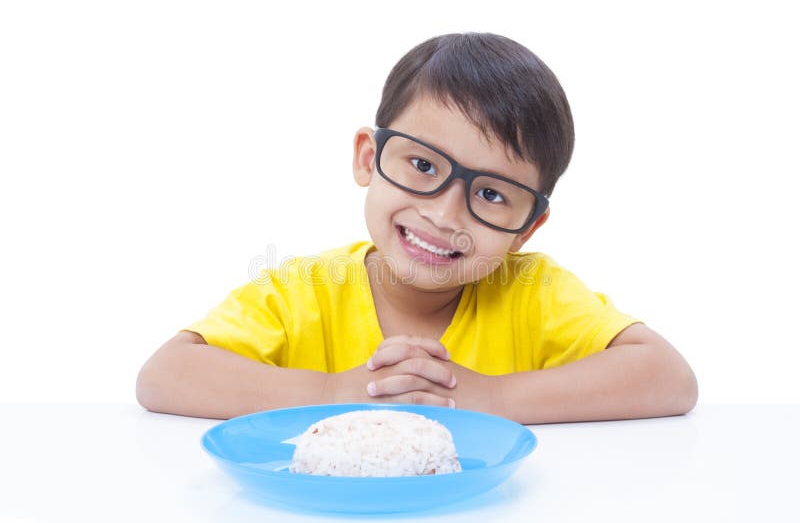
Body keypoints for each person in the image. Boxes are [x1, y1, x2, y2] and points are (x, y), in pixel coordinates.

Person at [136, 32, 697, 424]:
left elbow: (669, 377)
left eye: (492, 194)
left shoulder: (533, 293)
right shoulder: (302, 290)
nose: (445, 216)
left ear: (527, 227)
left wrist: (495, 396)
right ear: (367, 156)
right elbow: (165, 375)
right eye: (423, 165)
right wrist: (334, 391)